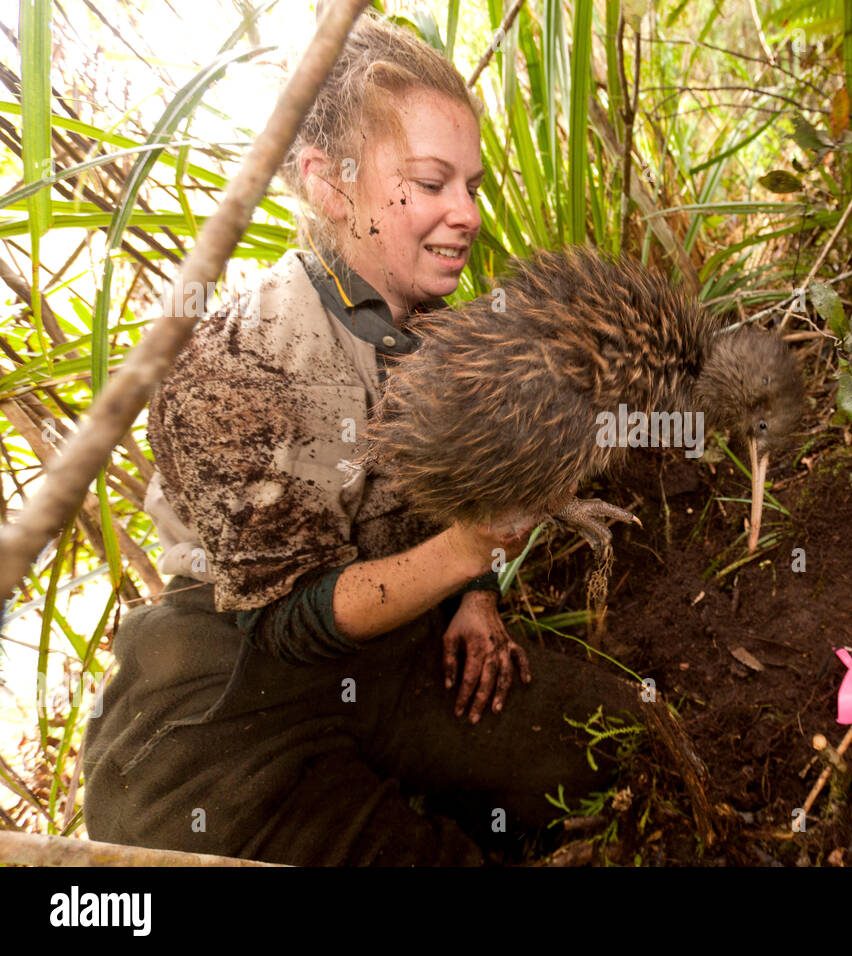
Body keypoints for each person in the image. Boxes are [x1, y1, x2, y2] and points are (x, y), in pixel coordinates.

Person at [83, 13, 640, 866]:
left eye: (474, 186)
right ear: (328, 185)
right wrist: (467, 551)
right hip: (226, 702)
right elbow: (287, 624)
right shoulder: (233, 361)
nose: (466, 214)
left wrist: (472, 598)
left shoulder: (452, 333)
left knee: (617, 750)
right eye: (430, 182)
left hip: (389, 655)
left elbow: (460, 501)